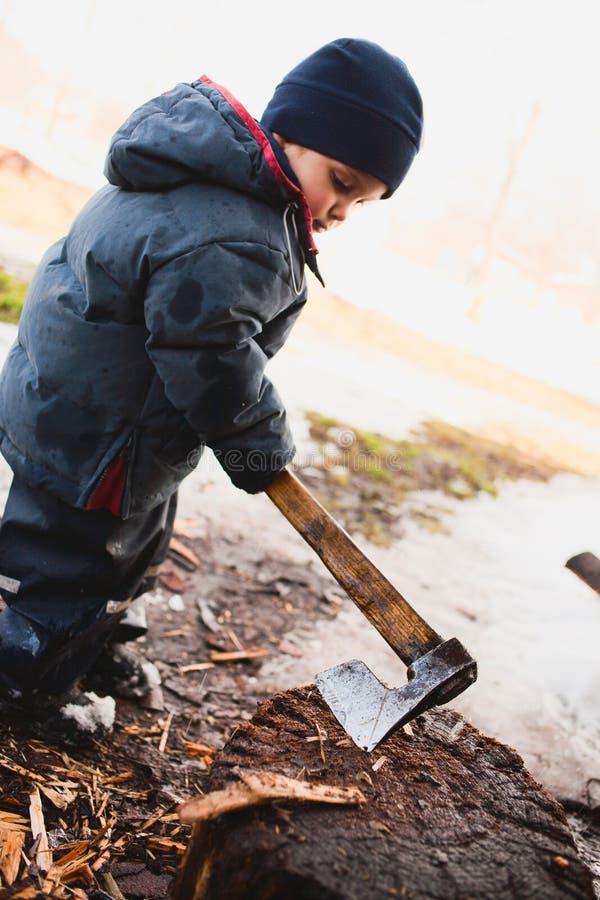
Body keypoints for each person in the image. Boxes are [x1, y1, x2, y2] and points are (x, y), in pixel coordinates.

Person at [0, 38, 423, 742]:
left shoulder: (207, 182)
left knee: (136, 539)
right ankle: (27, 681)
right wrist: (259, 444)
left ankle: (92, 646)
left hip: (97, 415)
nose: (344, 209)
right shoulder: (235, 232)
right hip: (100, 436)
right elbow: (210, 355)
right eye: (341, 180)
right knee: (70, 563)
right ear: (289, 132)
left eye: (362, 200)